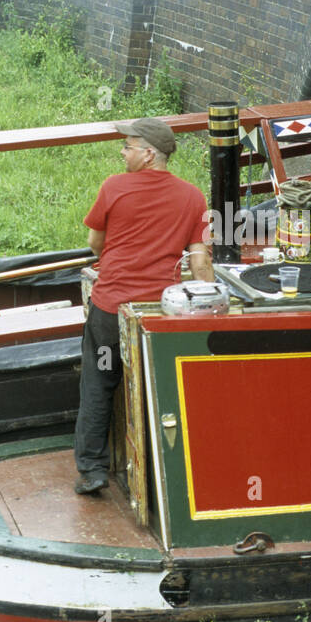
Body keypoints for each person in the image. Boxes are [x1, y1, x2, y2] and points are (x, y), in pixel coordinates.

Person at [73, 117, 213, 495]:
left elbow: (95, 244)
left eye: (129, 146)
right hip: (156, 316)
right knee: (155, 385)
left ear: (149, 154)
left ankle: (93, 469)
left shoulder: (114, 188)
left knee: (100, 382)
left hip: (108, 314)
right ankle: (158, 470)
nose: (123, 152)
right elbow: (200, 261)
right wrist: (214, 303)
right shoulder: (193, 197)